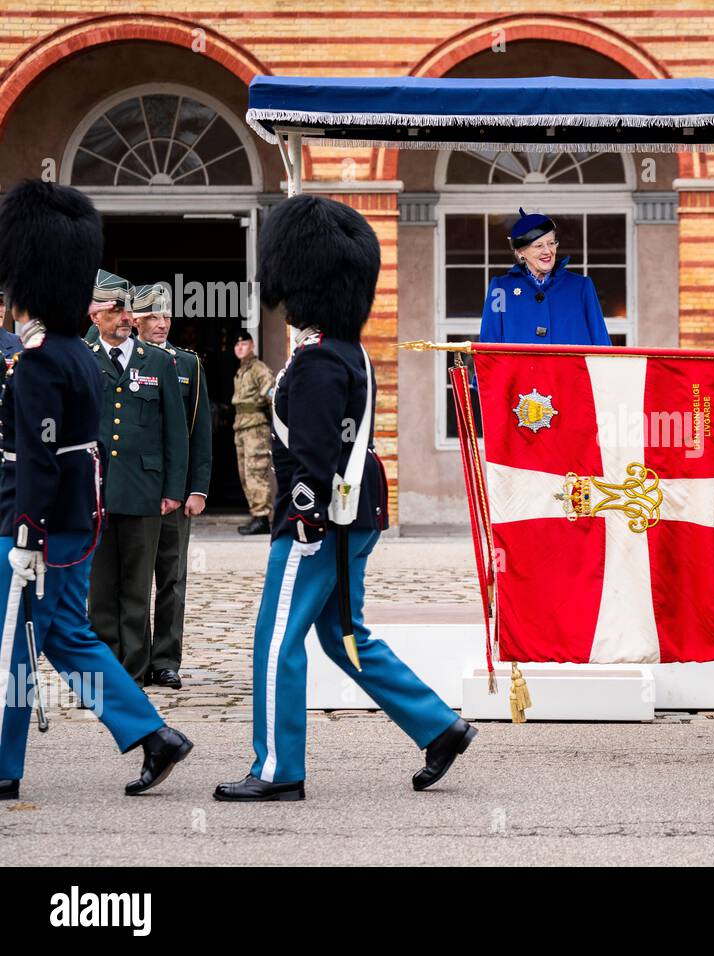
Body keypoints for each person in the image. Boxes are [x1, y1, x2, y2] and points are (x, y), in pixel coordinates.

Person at [213, 195, 473, 802]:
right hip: (354, 514)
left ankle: (278, 769)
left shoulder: (314, 362)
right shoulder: (346, 351)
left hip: (318, 521)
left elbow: (313, 456)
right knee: (344, 634)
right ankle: (438, 726)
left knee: (277, 639)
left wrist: (302, 515)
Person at [0, 180, 192, 801]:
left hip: (39, 526)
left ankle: (4, 766)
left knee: (11, 643)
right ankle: (151, 734)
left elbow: (38, 456)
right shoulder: (77, 355)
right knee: (64, 634)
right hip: (77, 520)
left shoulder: (38, 363)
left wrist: (26, 531)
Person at [86, 270, 188, 686]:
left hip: (144, 490)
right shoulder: (81, 357)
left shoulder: (159, 362)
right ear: (95, 316)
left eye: (128, 308)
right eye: (115, 310)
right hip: (94, 492)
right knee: (101, 587)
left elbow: (175, 435)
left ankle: (135, 667)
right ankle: (105, 668)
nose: (125, 316)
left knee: (137, 585)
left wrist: (173, 491)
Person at [132, 283, 212, 689]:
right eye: (152, 317)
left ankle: (166, 659)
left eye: (165, 317)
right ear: (136, 320)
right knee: (133, 578)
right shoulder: (127, 362)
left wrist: (198, 488)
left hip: (177, 491)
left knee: (172, 577)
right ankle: (135, 658)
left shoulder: (188, 364)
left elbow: (200, 433)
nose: (161, 324)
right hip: (137, 488)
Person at [479, 208, 610, 346]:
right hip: (519, 368)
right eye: (539, 245)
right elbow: (489, 345)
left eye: (551, 243)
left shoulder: (581, 287)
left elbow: (601, 341)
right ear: (520, 252)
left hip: (569, 368)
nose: (547, 251)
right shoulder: (501, 290)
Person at [232, 330, 276, 535]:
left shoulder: (258, 369)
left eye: (244, 344)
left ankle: (262, 518)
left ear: (252, 346)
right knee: (245, 474)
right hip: (242, 427)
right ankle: (257, 515)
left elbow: (271, 394)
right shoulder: (242, 371)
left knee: (255, 472)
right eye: (237, 345)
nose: (240, 348)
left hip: (256, 429)